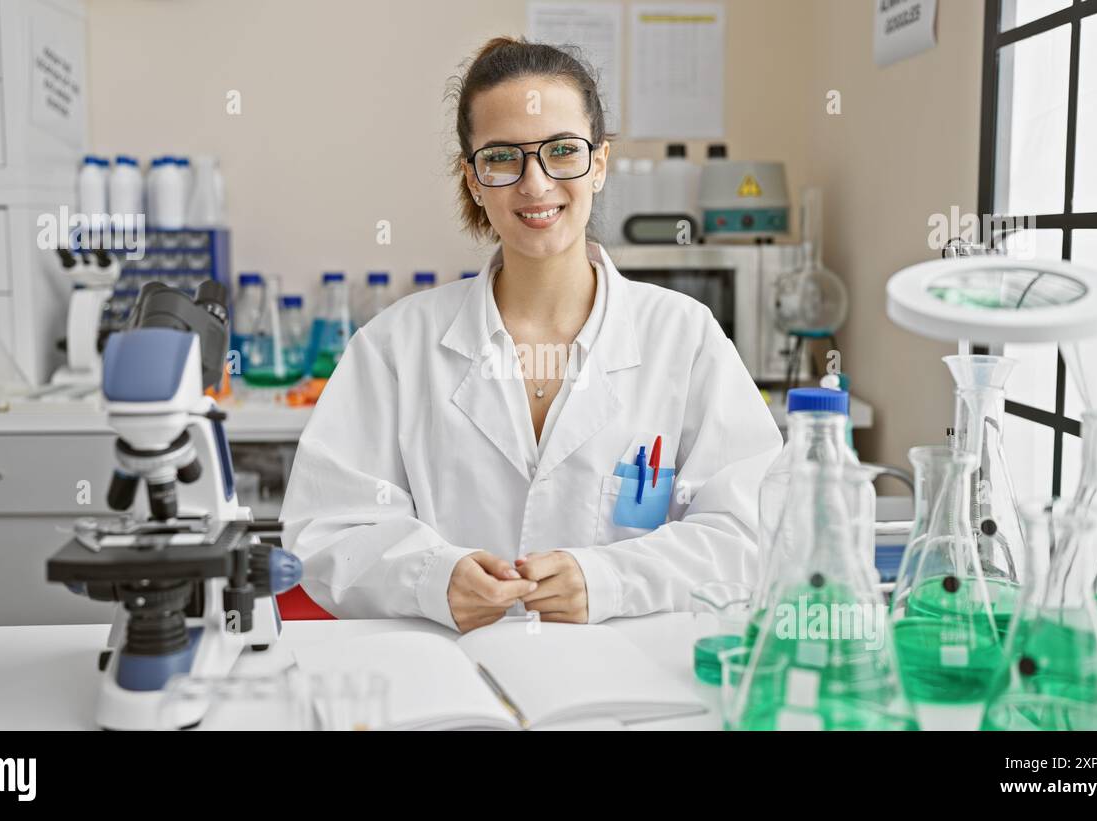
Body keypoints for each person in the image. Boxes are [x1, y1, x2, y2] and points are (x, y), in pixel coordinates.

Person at [280, 36, 782, 632]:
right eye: (502, 157)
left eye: (562, 151)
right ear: (472, 179)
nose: (536, 183)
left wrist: (608, 580)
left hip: (628, 687)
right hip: (448, 687)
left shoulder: (684, 336)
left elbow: (756, 530)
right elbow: (324, 530)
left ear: (598, 163)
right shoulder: (394, 346)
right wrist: (430, 578)